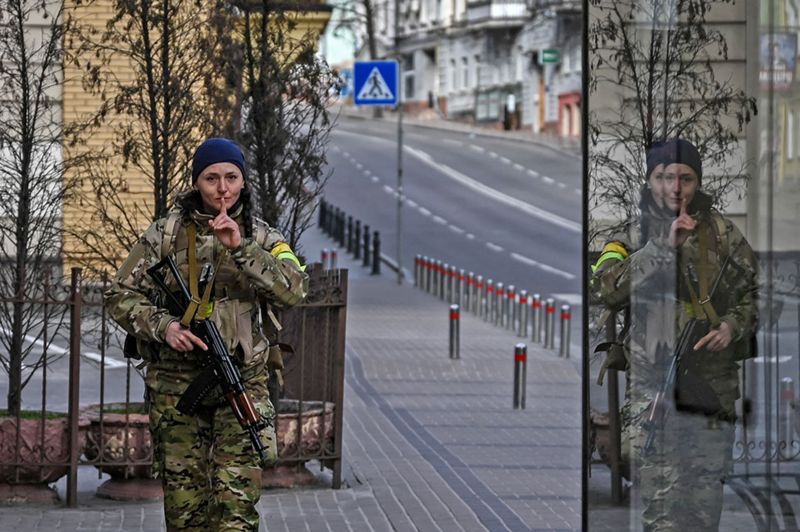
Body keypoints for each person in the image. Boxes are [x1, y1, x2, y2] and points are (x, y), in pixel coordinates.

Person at [104, 137, 308, 531]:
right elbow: (119, 293)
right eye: (211, 178)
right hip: (178, 388)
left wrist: (241, 248)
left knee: (236, 512)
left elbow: (295, 289)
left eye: (231, 177)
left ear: (243, 182)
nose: (222, 188)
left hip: (242, 383)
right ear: (197, 182)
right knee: (185, 513)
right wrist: (165, 328)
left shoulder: (264, 237)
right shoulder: (166, 233)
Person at [592, 139, 759, 530]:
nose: (675, 187)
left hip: (711, 387)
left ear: (697, 182)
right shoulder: (627, 235)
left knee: (702, 506)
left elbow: (756, 294)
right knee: (662, 508)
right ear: (650, 181)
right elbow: (604, 289)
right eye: (664, 176)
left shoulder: (722, 233)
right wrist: (662, 248)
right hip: (654, 389)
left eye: (685, 177)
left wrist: (731, 326)